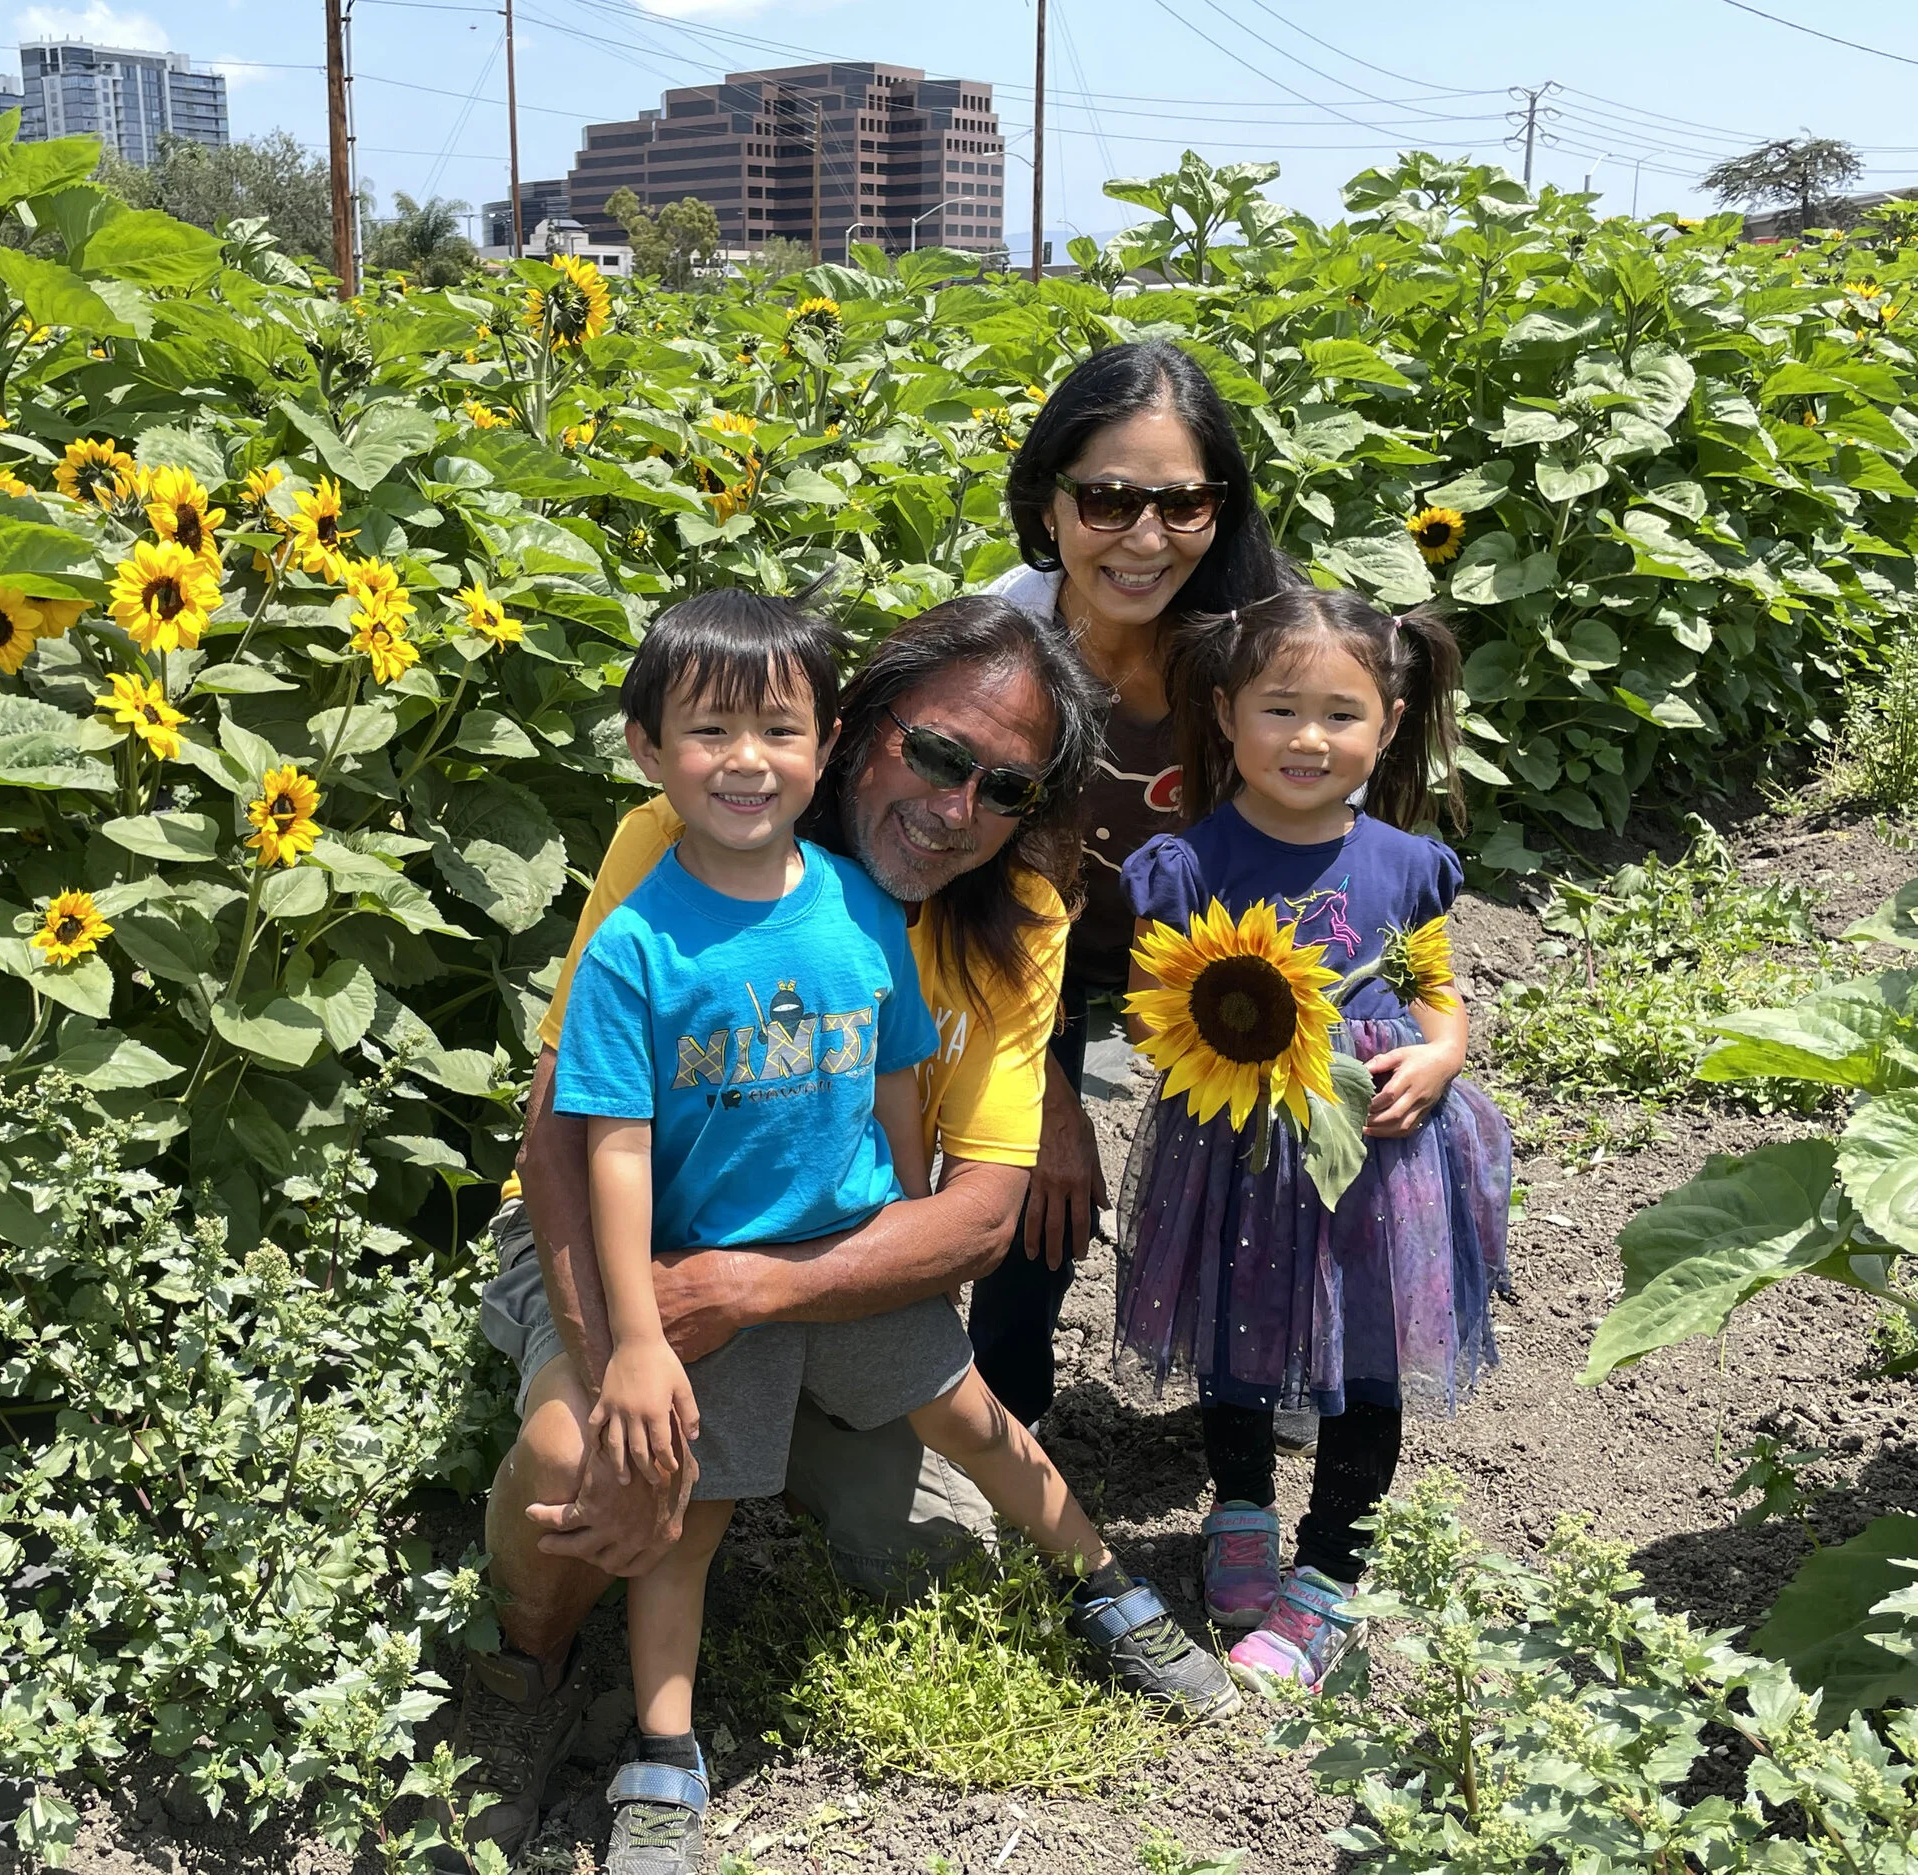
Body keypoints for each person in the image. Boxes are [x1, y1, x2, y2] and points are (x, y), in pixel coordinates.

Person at [443, 595, 1217, 1868]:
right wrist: (629, 1347)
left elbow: (958, 1199)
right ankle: (534, 1681)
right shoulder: (669, 861)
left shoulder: (981, 914)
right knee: (616, 1471)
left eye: (1007, 787)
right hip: (650, 1250)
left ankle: (1103, 1585)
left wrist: (763, 1287)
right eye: (939, 755)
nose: (959, 807)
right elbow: (572, 1141)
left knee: (917, 1534)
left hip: (820, 1268)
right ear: (860, 733)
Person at [1112, 584, 1513, 1694]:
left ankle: (1331, 1565)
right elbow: (1159, 1005)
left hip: (1377, 1151)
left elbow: (1435, 988)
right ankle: (1240, 1511)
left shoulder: (1402, 862)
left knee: (1367, 1352)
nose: (1308, 739)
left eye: (1341, 714)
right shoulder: (1188, 865)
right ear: (1228, 713)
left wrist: (1439, 1056)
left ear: (1388, 724)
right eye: (1280, 709)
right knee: (1234, 1322)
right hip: (1234, 1144)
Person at [982, 340, 1289, 1433]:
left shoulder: (1264, 647)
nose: (1145, 539)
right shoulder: (999, 647)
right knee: (1027, 1165)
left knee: (1272, 1132)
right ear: (1048, 502)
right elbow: (985, 900)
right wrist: (1048, 1103)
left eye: (1182, 503)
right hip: (1030, 932)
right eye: (1108, 499)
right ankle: (1004, 1408)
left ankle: (1271, 1361)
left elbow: (1323, 860)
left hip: (1213, 926)